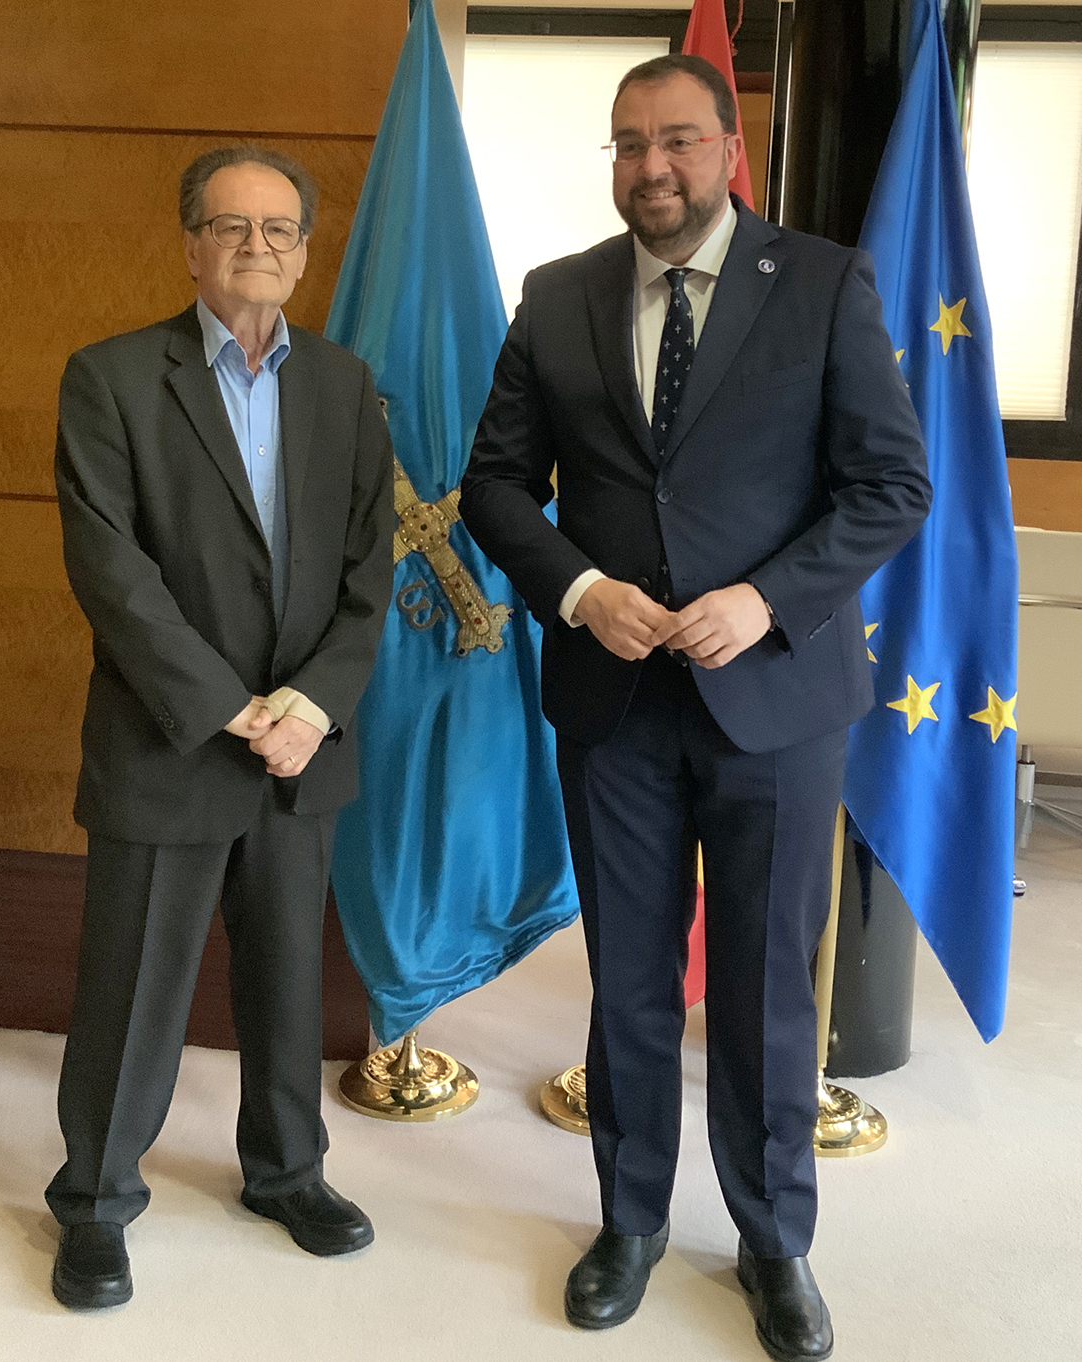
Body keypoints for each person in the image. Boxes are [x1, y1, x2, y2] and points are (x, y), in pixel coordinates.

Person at [461, 55, 930, 1361]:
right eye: (626, 145)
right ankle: (629, 1220)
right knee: (629, 984)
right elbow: (495, 486)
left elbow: (890, 485)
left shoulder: (825, 286)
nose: (649, 167)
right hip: (616, 704)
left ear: (729, 147)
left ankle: (775, 1240)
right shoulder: (556, 298)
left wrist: (768, 600)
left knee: (772, 988)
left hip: (776, 703)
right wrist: (581, 587)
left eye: (674, 139)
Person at [46, 145, 396, 1310]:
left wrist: (312, 704)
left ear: (305, 250)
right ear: (189, 242)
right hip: (170, 739)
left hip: (301, 747)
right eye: (232, 226)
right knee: (133, 987)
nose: (259, 247)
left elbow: (367, 567)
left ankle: (286, 1174)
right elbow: (112, 571)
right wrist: (225, 706)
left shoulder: (345, 386)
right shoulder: (108, 379)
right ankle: (95, 1200)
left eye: (281, 229)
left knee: (288, 981)